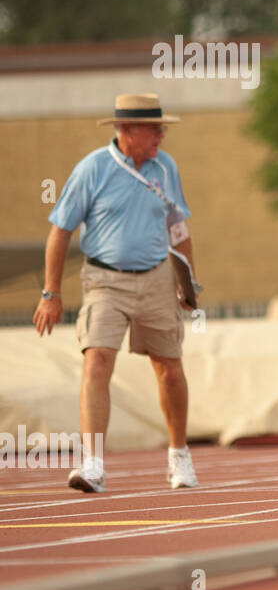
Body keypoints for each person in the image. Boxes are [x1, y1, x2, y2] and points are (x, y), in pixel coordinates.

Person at [32, 93, 200, 493]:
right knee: (97, 361)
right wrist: (50, 293)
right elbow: (60, 230)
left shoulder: (167, 167)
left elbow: (180, 228)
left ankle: (180, 456)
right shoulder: (93, 169)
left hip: (159, 277)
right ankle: (93, 466)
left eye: (162, 127)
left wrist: (188, 281)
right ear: (126, 131)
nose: (161, 134)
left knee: (170, 369)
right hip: (105, 281)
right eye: (153, 128)